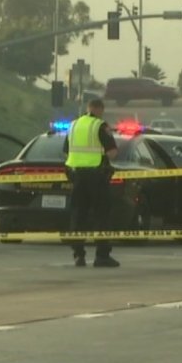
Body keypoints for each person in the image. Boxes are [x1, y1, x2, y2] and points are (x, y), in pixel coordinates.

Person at [64, 97, 119, 267]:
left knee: (78, 215)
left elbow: (66, 151)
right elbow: (112, 153)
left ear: (88, 108)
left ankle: (78, 255)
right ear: (100, 109)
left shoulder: (73, 125)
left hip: (76, 175)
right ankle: (102, 256)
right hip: (96, 176)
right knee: (102, 215)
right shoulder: (100, 126)